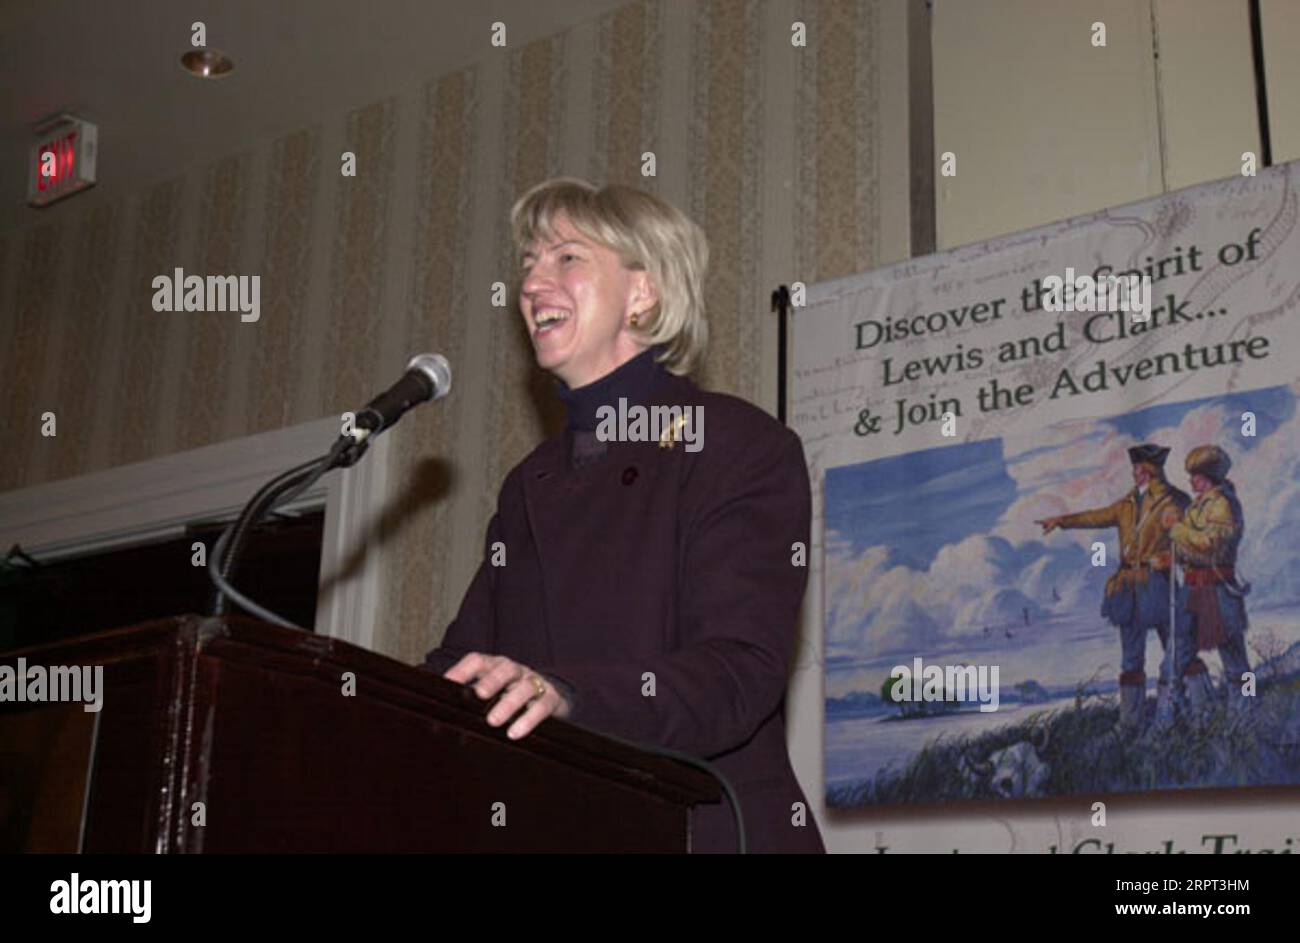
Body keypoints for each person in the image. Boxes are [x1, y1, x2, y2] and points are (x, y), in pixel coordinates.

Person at [420, 178, 824, 853]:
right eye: (527, 264)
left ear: (643, 292)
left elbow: (735, 674)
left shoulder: (737, 445)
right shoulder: (529, 486)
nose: (531, 284)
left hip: (709, 833)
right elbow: (463, 665)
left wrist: (569, 695)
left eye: (566, 257)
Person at [1036, 444, 1190, 732]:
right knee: (1131, 659)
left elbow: (1194, 541)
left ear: (1150, 471)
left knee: (1177, 650)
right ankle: (1130, 724)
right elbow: (1096, 516)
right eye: (1135, 470)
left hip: (1161, 585)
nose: (1135, 475)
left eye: (1138, 470)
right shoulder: (1127, 504)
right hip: (1129, 589)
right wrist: (1062, 521)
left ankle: (1173, 716)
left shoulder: (1176, 501)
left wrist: (1173, 557)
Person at [1162, 445, 1252, 718]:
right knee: (1175, 656)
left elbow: (1211, 546)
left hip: (1218, 590)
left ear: (1209, 476)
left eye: (1196, 475)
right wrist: (1172, 557)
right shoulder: (1196, 507)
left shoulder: (1223, 504)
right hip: (1193, 591)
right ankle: (1169, 718)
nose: (1191, 481)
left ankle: (1248, 711)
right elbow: (1190, 549)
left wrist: (1176, 529)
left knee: (1235, 661)